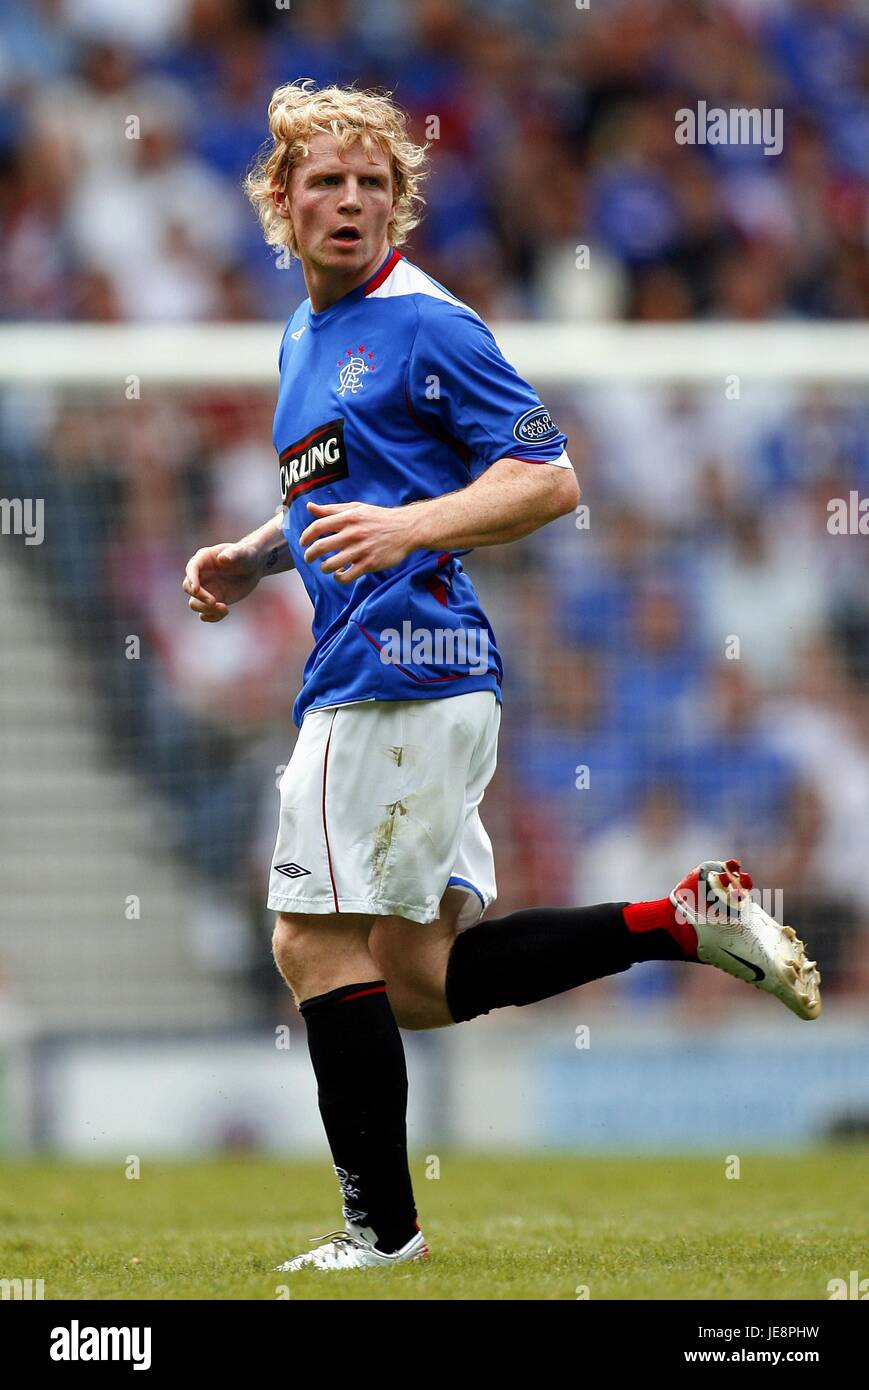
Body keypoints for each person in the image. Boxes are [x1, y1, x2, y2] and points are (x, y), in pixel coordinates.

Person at [182, 81, 821, 1273]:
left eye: (374, 184)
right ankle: (678, 920)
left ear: (397, 206)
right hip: (406, 677)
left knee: (308, 943)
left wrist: (411, 528)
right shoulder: (299, 336)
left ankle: (382, 1235)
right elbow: (330, 496)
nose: (352, 201)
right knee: (416, 982)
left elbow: (548, 479)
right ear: (281, 200)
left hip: (395, 674)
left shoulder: (427, 324)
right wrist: (256, 554)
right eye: (326, 181)